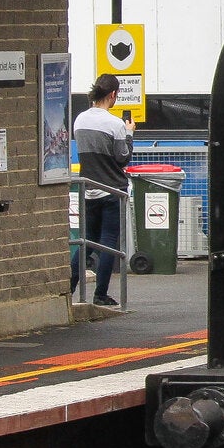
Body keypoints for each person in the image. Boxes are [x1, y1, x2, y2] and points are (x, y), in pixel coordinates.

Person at [71, 74, 131, 308]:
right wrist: (129, 134)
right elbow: (122, 158)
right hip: (111, 190)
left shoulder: (80, 120)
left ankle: (69, 286)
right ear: (113, 95)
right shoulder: (115, 124)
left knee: (87, 241)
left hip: (89, 189)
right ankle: (100, 294)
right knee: (107, 242)